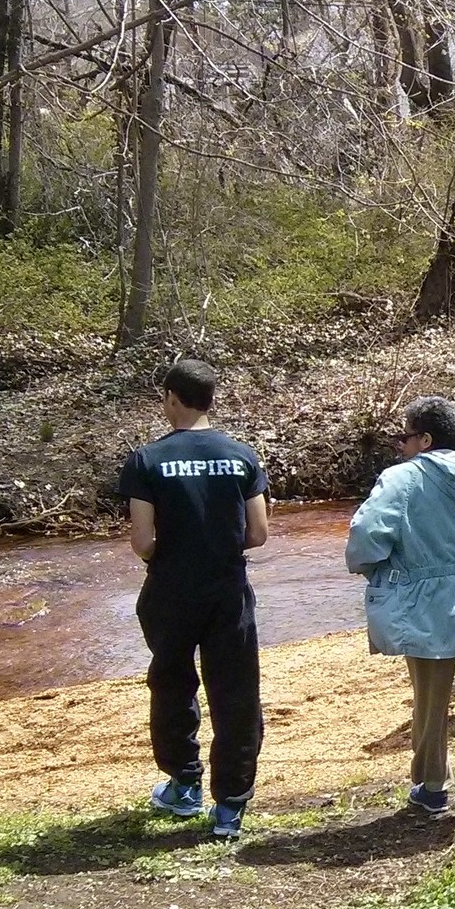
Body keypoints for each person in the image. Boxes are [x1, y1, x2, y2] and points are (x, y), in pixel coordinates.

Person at [345, 396, 455, 822]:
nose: (401, 446)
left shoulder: (402, 479)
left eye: (405, 437)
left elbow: (366, 538)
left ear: (424, 439)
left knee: (430, 702)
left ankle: (432, 788)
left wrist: (382, 568)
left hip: (428, 605)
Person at [118, 357, 269, 841]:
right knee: (236, 693)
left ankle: (184, 785)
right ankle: (230, 807)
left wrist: (178, 551)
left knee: (172, 683)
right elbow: (259, 533)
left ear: (172, 398)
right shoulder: (242, 456)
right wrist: (216, 547)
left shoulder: (146, 460)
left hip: (171, 590)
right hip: (228, 590)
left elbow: (142, 542)